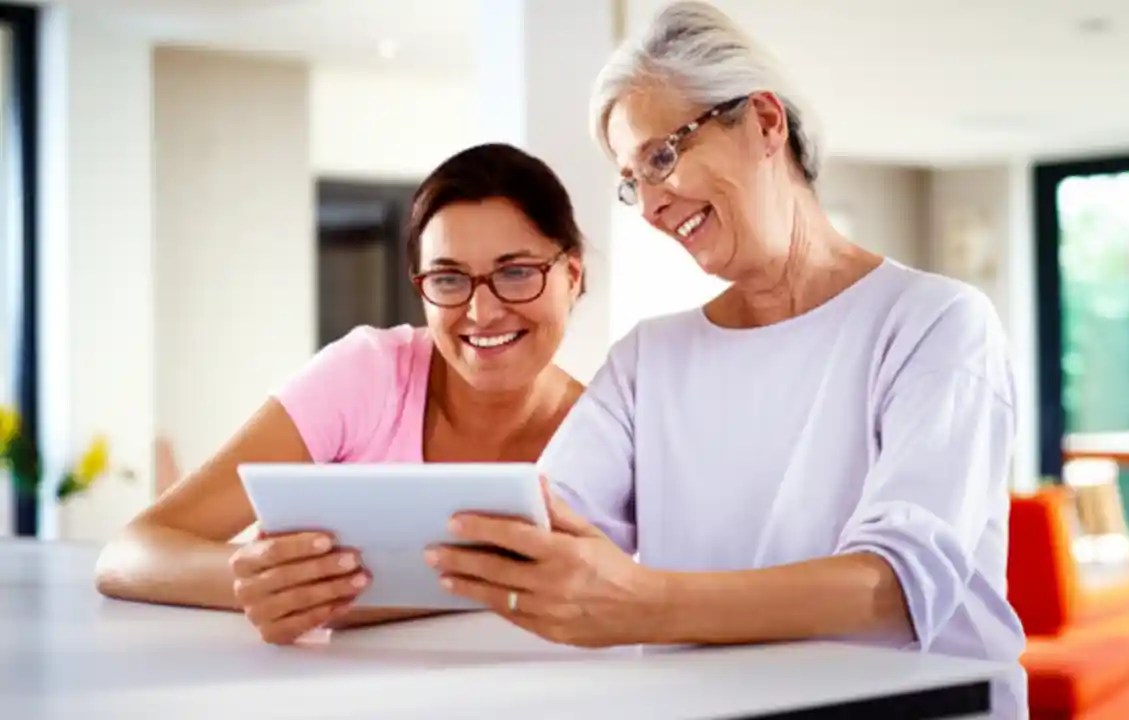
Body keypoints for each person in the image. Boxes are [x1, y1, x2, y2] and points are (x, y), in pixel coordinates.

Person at [424, 2, 1027, 715]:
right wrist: (286, 582)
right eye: (631, 181)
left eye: (662, 156)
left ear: (766, 122)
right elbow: (525, 541)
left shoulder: (936, 324)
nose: (648, 206)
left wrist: (647, 603)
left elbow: (894, 591)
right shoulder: (650, 359)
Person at [95, 143, 587, 645]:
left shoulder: (608, 426)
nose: (482, 311)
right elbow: (131, 552)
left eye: (516, 272)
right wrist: (267, 584)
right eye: (448, 278)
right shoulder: (369, 373)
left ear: (572, 275)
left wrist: (355, 599)